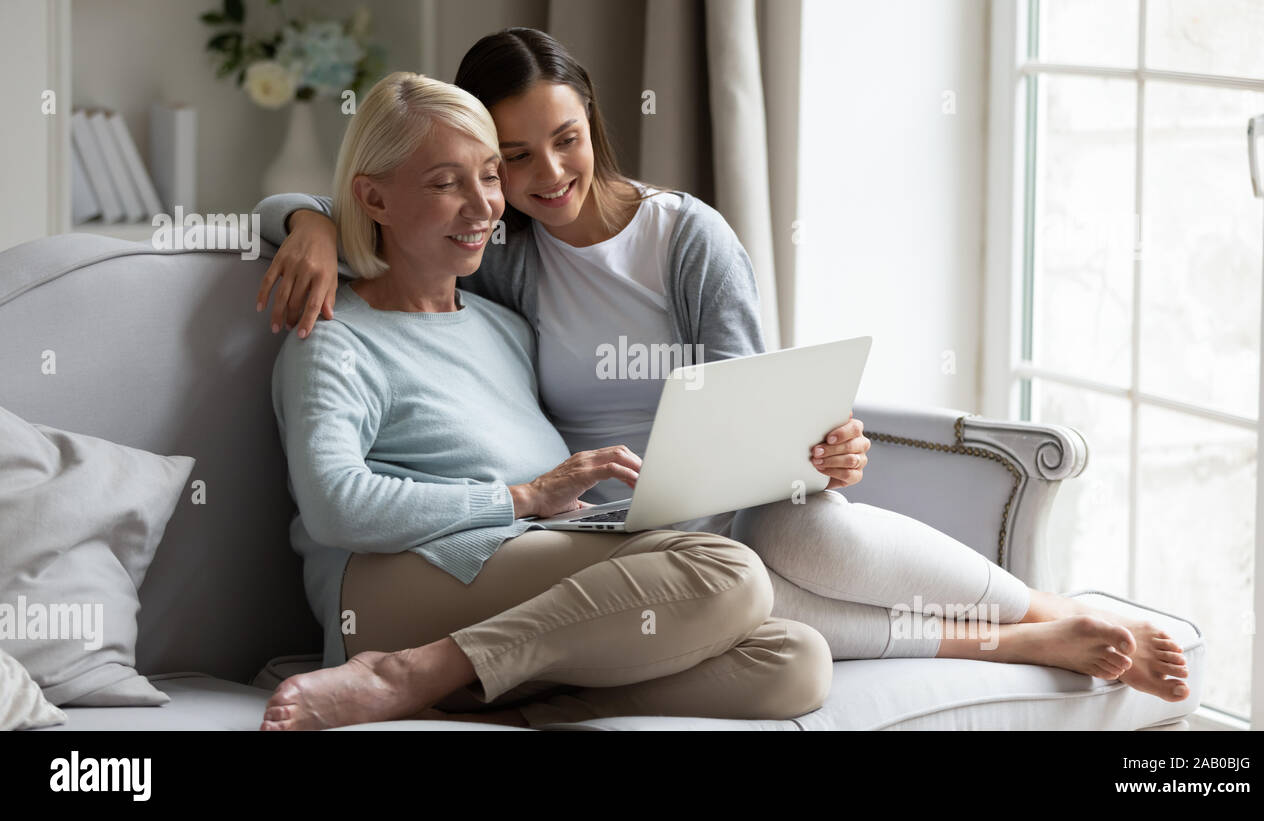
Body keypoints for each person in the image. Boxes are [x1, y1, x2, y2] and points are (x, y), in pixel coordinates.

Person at [255, 28, 1190, 705]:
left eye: (561, 141)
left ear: (595, 124)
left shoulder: (654, 245)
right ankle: (425, 671)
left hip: (669, 520)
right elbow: (366, 211)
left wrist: (812, 445)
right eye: (506, 160)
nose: (527, 184)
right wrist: (310, 225)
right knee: (737, 578)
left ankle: (1044, 610)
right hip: (574, 536)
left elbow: (752, 403)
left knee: (797, 642)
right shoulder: (494, 265)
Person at [260, 71, 834, 730]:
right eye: (446, 183)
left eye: (488, 175)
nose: (481, 207)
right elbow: (335, 506)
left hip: (513, 573)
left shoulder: (500, 323)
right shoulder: (332, 334)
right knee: (726, 570)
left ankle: (484, 691)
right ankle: (406, 670)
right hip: (389, 583)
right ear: (374, 199)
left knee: (795, 658)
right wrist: (521, 498)